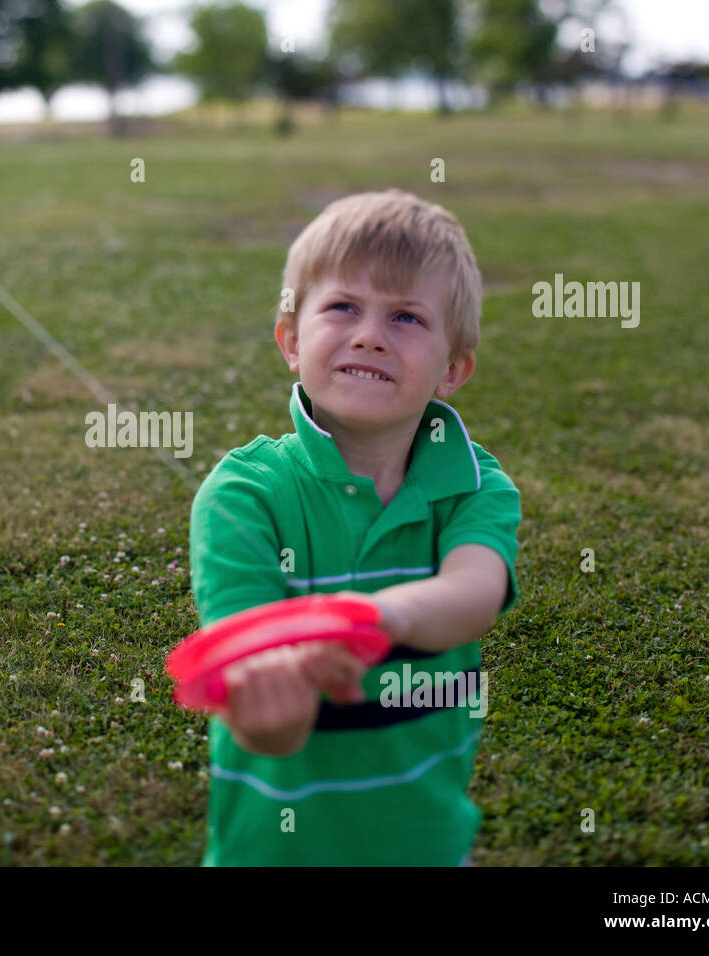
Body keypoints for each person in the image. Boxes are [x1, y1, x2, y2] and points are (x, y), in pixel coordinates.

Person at [188, 189, 522, 866]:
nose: (370, 334)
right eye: (343, 307)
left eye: (406, 316)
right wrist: (270, 710)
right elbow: (260, 712)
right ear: (291, 339)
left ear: (452, 370)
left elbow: (473, 595)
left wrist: (352, 621)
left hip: (425, 843)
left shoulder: (476, 487)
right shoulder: (243, 495)